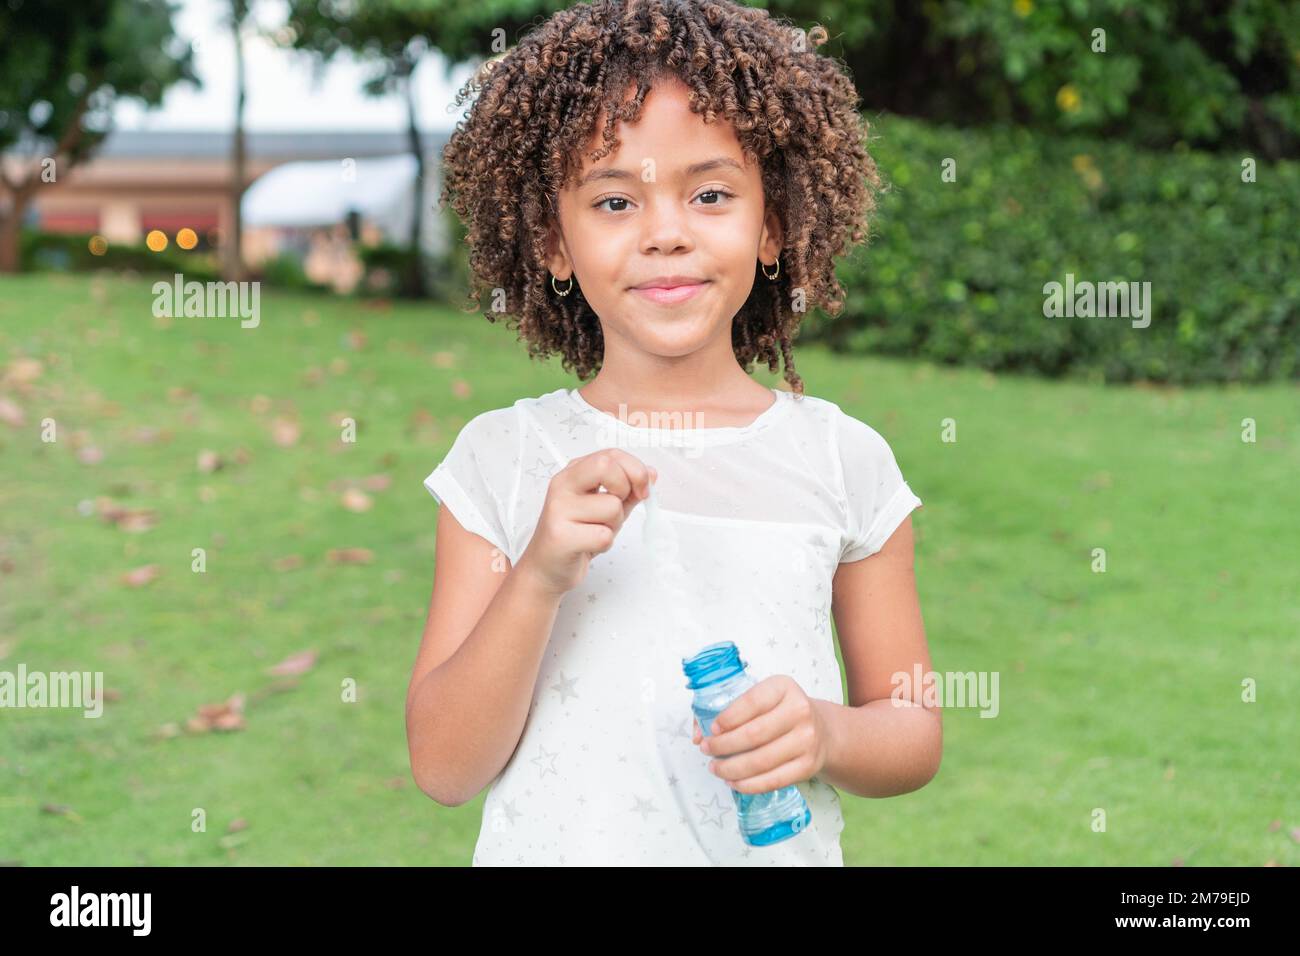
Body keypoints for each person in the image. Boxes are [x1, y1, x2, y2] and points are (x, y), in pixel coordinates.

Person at [406, 0, 940, 866]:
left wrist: (823, 734)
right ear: (552, 241)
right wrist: (539, 575)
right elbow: (443, 765)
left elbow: (911, 730)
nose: (665, 234)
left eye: (711, 194)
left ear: (772, 225)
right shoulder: (502, 463)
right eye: (615, 200)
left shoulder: (845, 462)